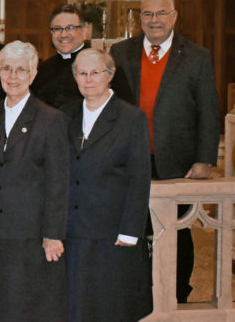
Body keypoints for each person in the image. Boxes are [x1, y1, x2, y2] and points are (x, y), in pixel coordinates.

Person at [110, 0, 220, 303]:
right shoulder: (120, 52)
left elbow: (208, 111)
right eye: (148, 14)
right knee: (134, 225)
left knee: (178, 231)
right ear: (139, 17)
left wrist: (205, 159)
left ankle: (177, 293)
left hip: (177, 160)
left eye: (161, 14)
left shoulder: (197, 56)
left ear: (173, 16)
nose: (154, 20)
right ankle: (137, 291)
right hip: (131, 158)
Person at [0, 40, 69, 322]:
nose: (13, 77)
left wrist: (53, 234)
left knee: (27, 305)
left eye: (20, 70)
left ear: (33, 74)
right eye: (7, 69)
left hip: (30, 232)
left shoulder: (51, 119)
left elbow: (58, 181)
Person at [62, 48, 152, 322]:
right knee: (75, 306)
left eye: (95, 73)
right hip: (73, 230)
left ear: (110, 75)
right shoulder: (64, 115)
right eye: (82, 73)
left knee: (109, 306)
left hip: (111, 232)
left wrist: (130, 231)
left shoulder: (131, 118)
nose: (88, 79)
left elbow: (139, 178)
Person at [31, 4, 132, 108]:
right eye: (57, 28)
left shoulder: (105, 67)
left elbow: (125, 112)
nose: (63, 35)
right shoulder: (40, 72)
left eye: (70, 28)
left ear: (85, 31)